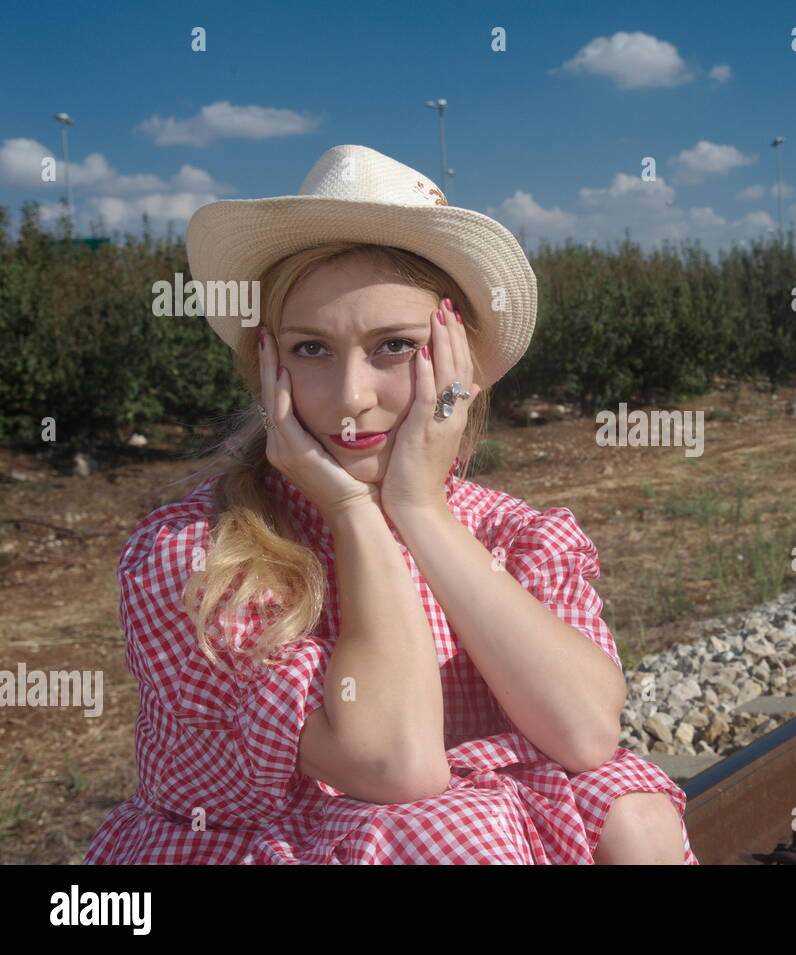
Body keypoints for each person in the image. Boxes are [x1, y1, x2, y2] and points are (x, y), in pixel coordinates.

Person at [84, 144, 699, 864]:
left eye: (395, 346)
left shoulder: (510, 533)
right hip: (255, 847)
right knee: (449, 839)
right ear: (267, 364)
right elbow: (394, 764)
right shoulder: (203, 555)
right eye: (311, 349)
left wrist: (421, 510)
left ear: (460, 362)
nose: (351, 396)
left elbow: (586, 732)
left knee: (634, 817)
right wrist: (352, 511)